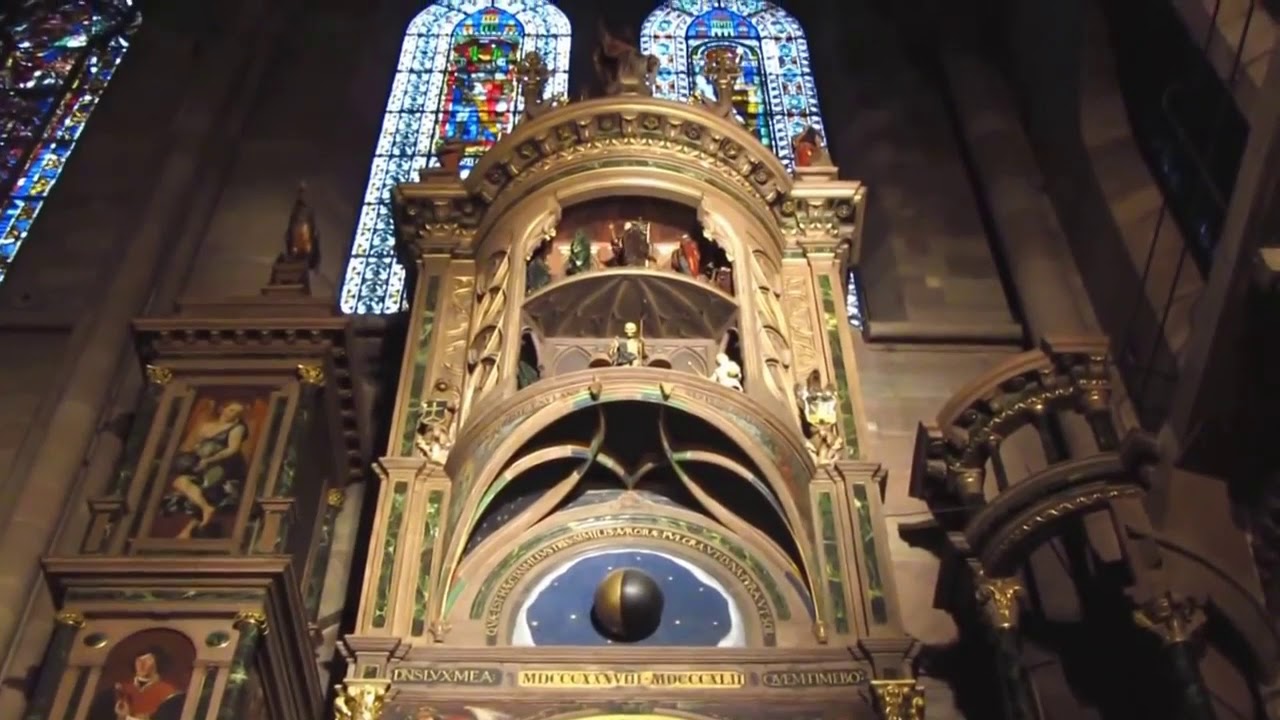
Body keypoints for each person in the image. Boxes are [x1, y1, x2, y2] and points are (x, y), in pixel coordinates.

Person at [160, 400, 249, 539]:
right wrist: (194, 455)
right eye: (232, 410)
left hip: (225, 466)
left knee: (208, 490)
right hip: (201, 463)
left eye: (238, 412)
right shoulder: (205, 426)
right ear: (222, 409)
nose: (234, 414)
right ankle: (206, 508)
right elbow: (194, 445)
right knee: (180, 482)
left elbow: (232, 450)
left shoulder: (237, 428)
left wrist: (209, 459)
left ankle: (188, 531)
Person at [90, 647, 184, 720]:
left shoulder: (171, 695)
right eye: (138, 660)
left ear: (158, 663)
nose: (141, 664)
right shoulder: (115, 691)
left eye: (148, 660)